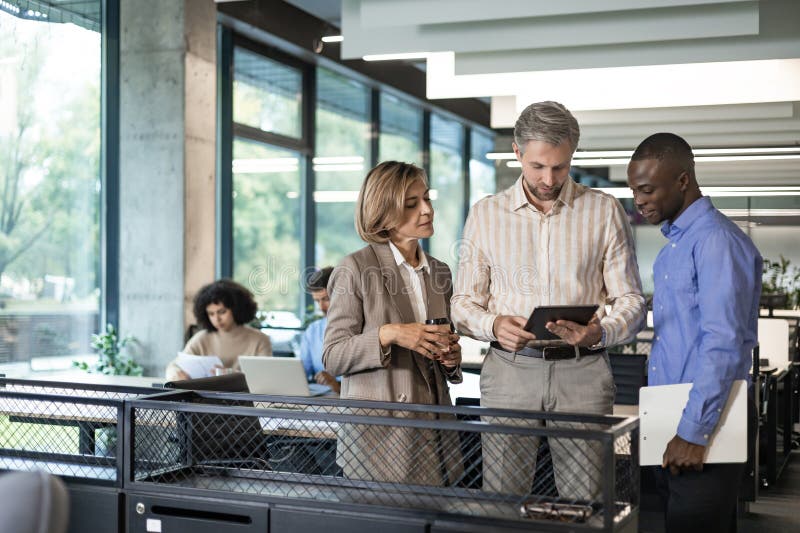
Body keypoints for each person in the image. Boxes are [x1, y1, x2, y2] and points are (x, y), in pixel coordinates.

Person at [451, 101, 646, 499]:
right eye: (537, 166)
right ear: (517, 152)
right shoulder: (486, 215)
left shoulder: (604, 211)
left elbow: (631, 300)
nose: (549, 178)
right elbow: (462, 304)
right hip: (509, 371)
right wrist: (493, 325)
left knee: (586, 500)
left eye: (560, 166)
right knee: (503, 499)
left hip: (583, 371)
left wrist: (600, 332)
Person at [627, 132, 761, 533]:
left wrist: (693, 432)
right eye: (634, 191)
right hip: (671, 411)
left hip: (704, 418)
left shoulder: (716, 241)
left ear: (683, 180)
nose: (638, 201)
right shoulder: (674, 248)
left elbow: (723, 345)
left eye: (647, 189)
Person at [323, 160, 463, 486]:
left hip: (434, 435)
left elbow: (442, 346)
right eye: (412, 204)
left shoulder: (440, 271)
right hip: (381, 441)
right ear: (384, 214)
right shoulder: (354, 268)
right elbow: (333, 356)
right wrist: (389, 334)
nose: (427, 210)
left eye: (427, 198)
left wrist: (451, 359)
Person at [166, 279, 272, 381]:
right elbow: (174, 366)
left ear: (236, 309)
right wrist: (176, 375)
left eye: (222, 312)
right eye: (211, 314)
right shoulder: (201, 338)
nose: (216, 319)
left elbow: (266, 376)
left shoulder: (260, 340)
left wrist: (231, 374)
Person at [299, 266, 340, 394]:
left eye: (326, 299)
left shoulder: (362, 328)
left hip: (354, 399)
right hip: (322, 399)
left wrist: (338, 385)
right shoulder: (312, 331)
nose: (321, 307)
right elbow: (302, 372)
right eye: (317, 301)